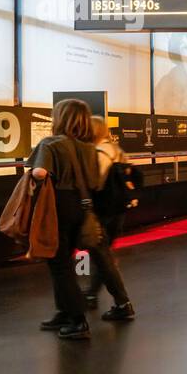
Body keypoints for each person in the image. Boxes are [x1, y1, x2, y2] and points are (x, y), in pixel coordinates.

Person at [30, 99, 101, 341]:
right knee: (62, 260)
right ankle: (64, 311)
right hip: (81, 206)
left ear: (60, 118)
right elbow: (95, 182)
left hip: (57, 206)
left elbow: (39, 172)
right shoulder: (90, 148)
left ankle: (77, 319)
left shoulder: (50, 143)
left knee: (58, 264)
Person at [83, 115, 135, 322]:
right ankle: (91, 294)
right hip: (118, 209)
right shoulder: (117, 150)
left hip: (104, 210)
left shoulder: (100, 153)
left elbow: (95, 182)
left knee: (101, 254)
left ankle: (122, 302)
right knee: (101, 253)